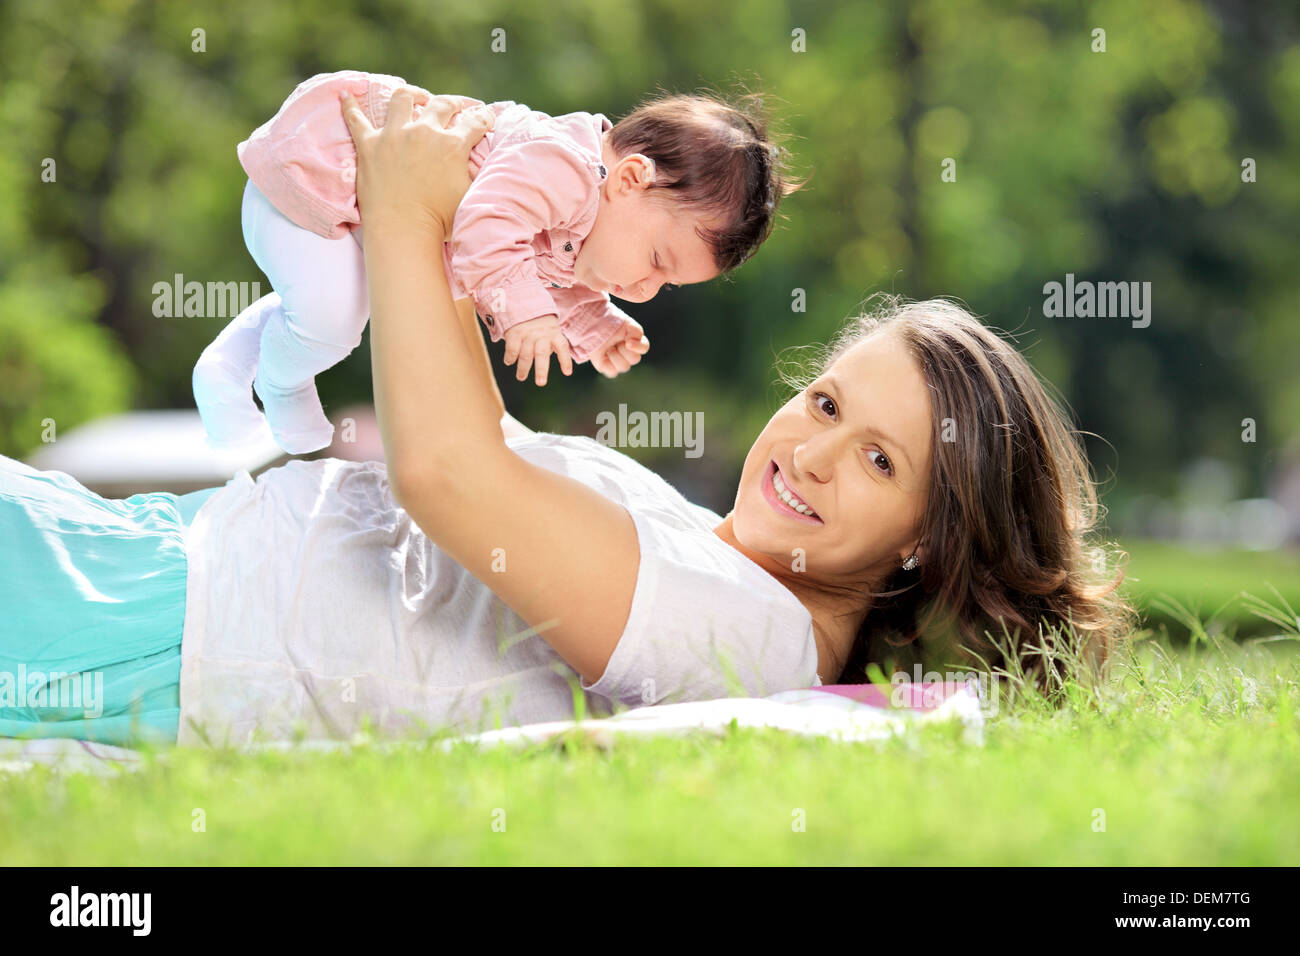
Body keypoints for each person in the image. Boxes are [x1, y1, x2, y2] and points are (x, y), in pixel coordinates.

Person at [0, 91, 1133, 749]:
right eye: (827, 400)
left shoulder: (751, 630)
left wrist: (412, 210)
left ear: (925, 536)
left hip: (176, 631)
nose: (813, 448)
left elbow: (451, 473)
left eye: (877, 456)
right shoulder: (724, 560)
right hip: (182, 561)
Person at [191, 70, 799, 455]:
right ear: (632, 177)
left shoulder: (589, 217)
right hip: (321, 176)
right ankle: (282, 382)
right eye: (657, 262)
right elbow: (487, 227)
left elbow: (555, 278)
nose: (643, 289)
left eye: (664, 286)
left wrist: (597, 326)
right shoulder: (564, 166)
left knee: (337, 305)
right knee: (330, 318)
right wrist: (525, 318)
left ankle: (227, 367)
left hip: (354, 224)